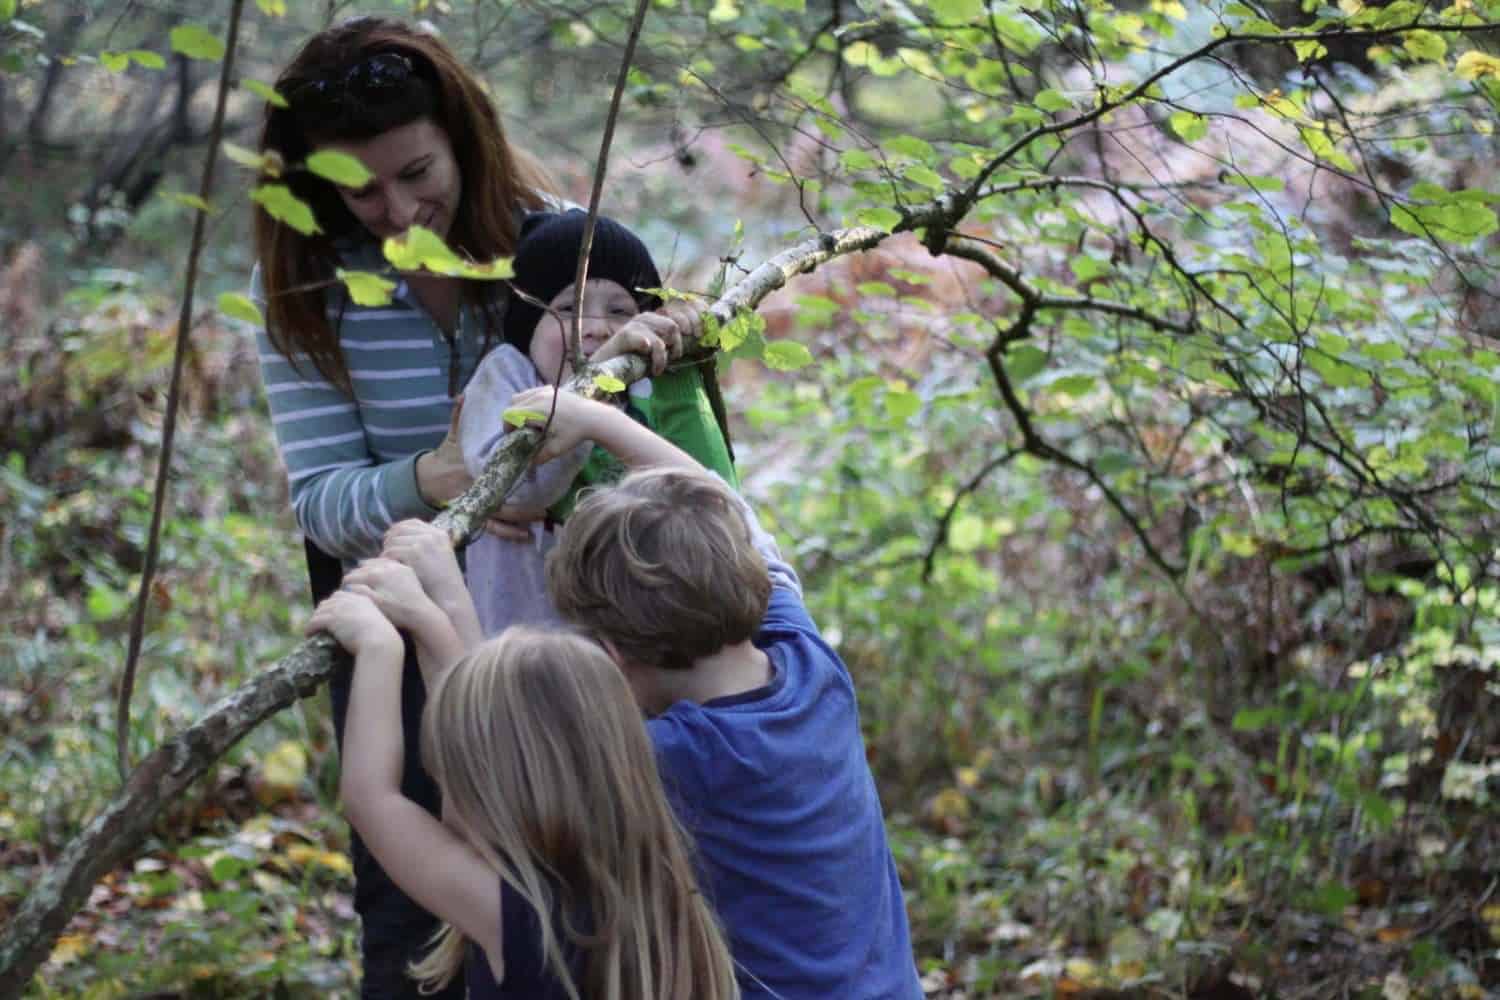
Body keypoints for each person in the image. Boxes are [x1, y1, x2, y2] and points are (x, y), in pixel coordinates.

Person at [250, 18, 701, 998]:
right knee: (417, 908)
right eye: (358, 187)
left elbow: (662, 440)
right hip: (406, 640)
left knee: (585, 874)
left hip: (574, 630)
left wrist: (664, 344)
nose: (396, 207)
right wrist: (437, 479)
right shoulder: (306, 287)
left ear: (463, 136)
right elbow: (324, 502)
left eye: (417, 172)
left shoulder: (567, 241)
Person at [510, 388, 925, 999]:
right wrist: (598, 421)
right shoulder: (812, 669)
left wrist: (436, 605)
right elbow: (730, 510)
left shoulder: (676, 755)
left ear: (615, 656)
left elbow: (503, 769)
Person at [306, 520, 739, 1000]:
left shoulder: (520, 917)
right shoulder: (664, 894)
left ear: (493, 789)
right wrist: (427, 618)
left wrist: (378, 648)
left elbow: (372, 798)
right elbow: (478, 743)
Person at [457, 208, 738, 637]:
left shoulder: (646, 389)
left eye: (621, 311)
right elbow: (519, 491)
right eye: (568, 308)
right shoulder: (506, 375)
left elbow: (713, 497)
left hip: (629, 640)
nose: (596, 329)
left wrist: (684, 335)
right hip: (522, 641)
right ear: (527, 320)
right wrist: (598, 379)